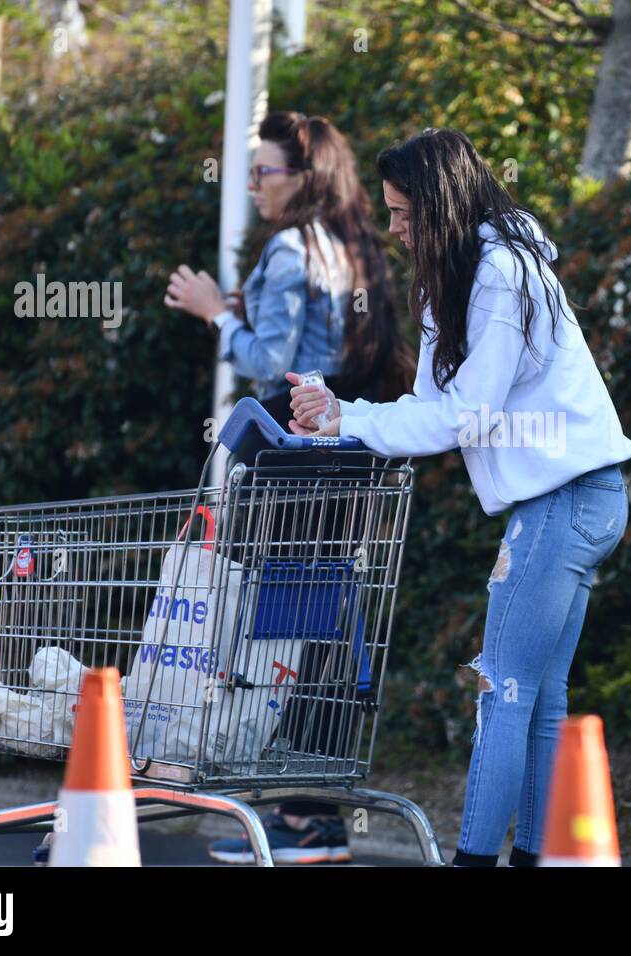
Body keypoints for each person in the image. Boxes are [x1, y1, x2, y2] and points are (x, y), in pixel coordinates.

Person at [286, 128, 631, 866]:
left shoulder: (501, 275)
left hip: (564, 502)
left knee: (501, 692)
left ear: (440, 204)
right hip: (580, 499)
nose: (395, 227)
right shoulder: (460, 276)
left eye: (405, 213)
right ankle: (529, 858)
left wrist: (352, 419)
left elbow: (466, 416)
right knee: (537, 701)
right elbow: (427, 407)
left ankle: (476, 860)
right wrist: (339, 412)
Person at [164, 111, 414, 864]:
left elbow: (272, 362)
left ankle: (303, 818)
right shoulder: (353, 249)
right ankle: (315, 808)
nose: (252, 184)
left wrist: (215, 316)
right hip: (346, 458)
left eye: (263, 170)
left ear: (303, 178)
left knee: (277, 629)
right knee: (323, 627)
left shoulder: (286, 248)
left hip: (292, 460)